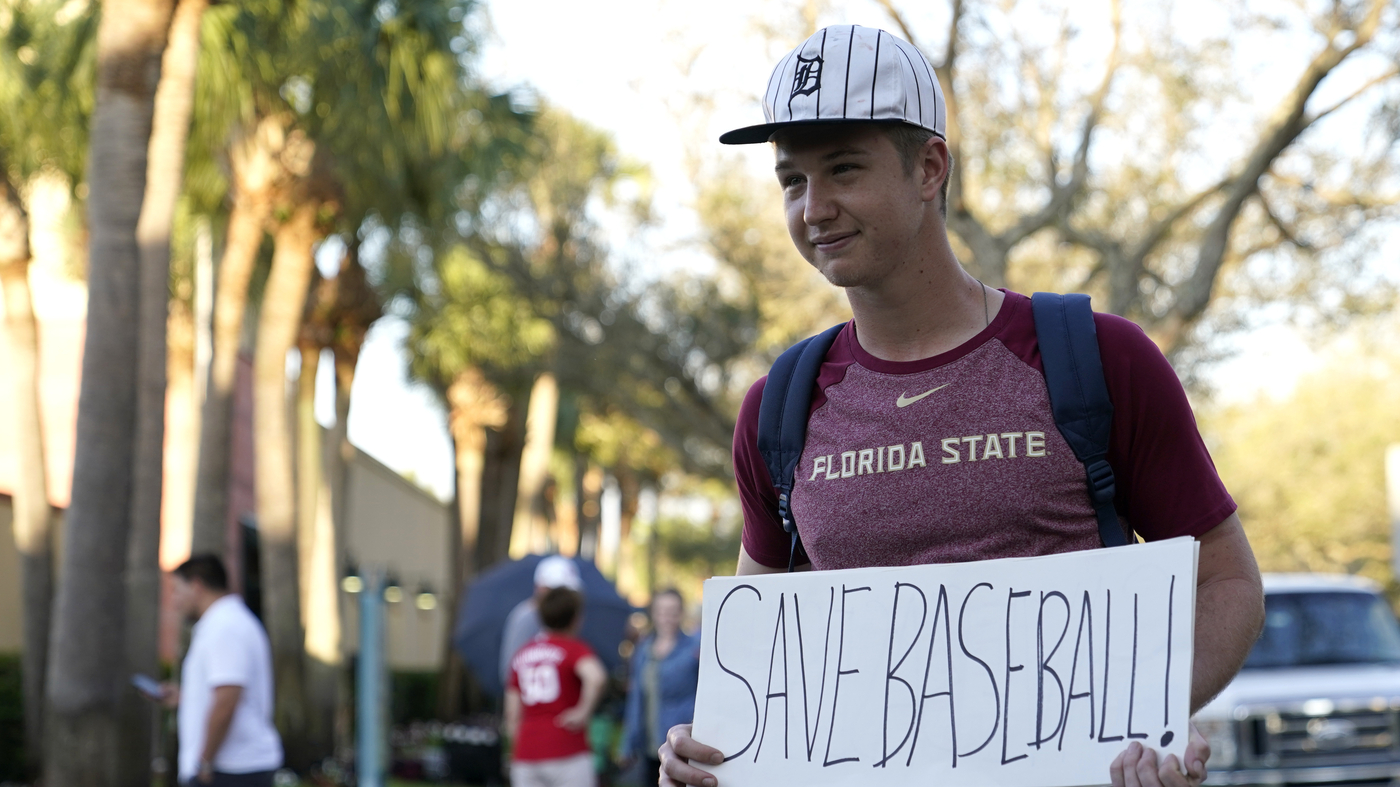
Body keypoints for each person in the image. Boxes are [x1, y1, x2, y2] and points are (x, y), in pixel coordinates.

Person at [658, 24, 1265, 787]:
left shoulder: (1097, 360)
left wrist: (1151, 718)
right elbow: (757, 654)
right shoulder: (778, 407)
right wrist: (707, 745)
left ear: (930, 168)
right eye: (791, 181)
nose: (814, 208)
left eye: (844, 169)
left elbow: (1229, 582)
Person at [162, 554, 282, 787]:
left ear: (197, 586)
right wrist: (186, 699)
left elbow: (227, 699)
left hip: (230, 771)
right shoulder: (224, 623)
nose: (174, 601)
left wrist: (205, 763)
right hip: (232, 768)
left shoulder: (225, 627)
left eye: (177, 590)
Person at [505, 586, 609, 787]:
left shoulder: (521, 655)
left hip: (527, 754)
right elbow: (596, 677)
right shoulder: (573, 649)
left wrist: (519, 746)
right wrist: (582, 712)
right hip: (567, 749)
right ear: (575, 618)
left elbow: (512, 714)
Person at [621, 590, 701, 786]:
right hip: (649, 744)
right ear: (654, 613)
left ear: (681, 613)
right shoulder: (643, 650)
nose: (667, 617)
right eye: (662, 611)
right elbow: (637, 698)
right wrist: (628, 744)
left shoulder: (694, 649)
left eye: (673, 611)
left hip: (679, 744)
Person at [501, 555, 585, 691]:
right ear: (540, 588)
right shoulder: (527, 617)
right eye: (557, 591)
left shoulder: (564, 617)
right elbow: (511, 672)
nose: (562, 598)